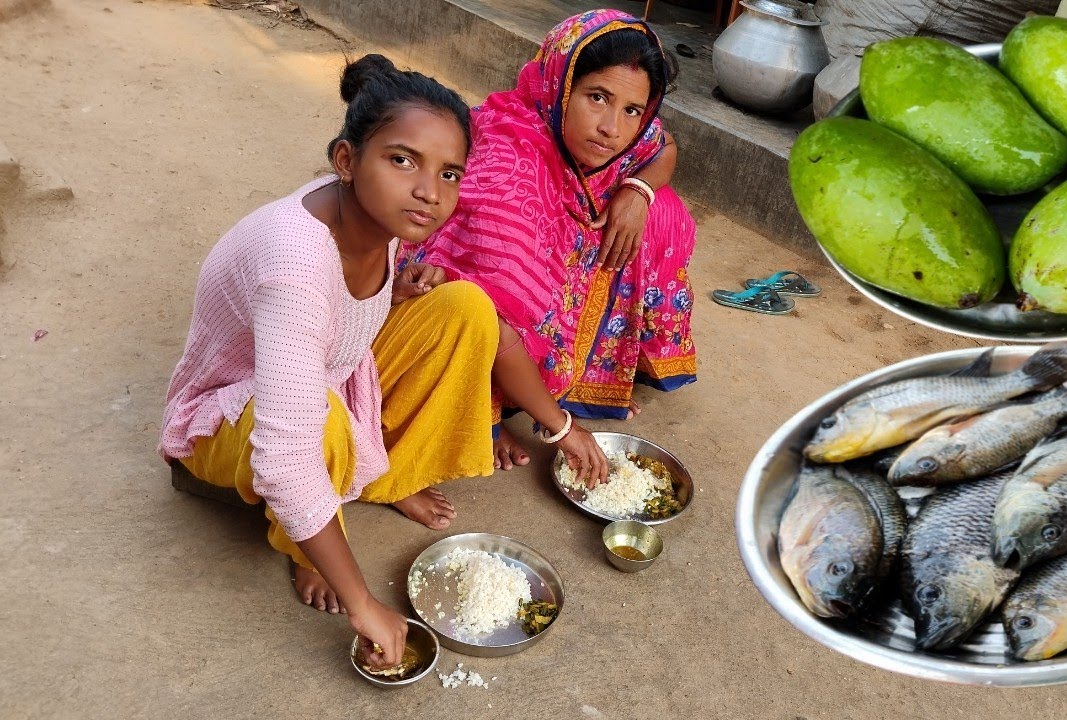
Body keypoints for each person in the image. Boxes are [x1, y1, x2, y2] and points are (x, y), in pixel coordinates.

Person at [159, 54, 564, 670]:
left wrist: (390, 294)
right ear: (345, 161)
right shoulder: (293, 264)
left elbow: (344, 305)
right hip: (226, 424)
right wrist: (362, 602)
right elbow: (285, 450)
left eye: (450, 173)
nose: (430, 192)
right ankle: (307, 544)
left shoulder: (385, 217)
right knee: (311, 424)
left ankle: (382, 474)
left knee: (464, 309)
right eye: (403, 160)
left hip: (327, 373)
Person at [398, 9, 698, 473]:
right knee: (496, 296)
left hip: (521, 297)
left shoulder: (620, 134)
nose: (612, 129)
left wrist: (638, 192)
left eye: (632, 109)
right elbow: (491, 322)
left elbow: (663, 146)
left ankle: (580, 375)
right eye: (597, 97)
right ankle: (485, 412)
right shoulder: (511, 170)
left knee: (661, 214)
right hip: (463, 312)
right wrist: (560, 426)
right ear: (560, 84)